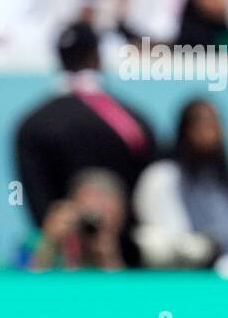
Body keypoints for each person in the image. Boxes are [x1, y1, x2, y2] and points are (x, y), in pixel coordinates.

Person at [14, 21, 156, 244]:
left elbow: (34, 194)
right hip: (125, 254)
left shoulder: (32, 124)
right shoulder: (133, 122)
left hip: (60, 255)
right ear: (96, 57)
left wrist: (50, 231)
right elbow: (148, 187)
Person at [133, 98, 228, 278]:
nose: (207, 133)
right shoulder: (162, 179)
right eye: (199, 124)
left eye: (213, 125)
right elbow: (169, 246)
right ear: (184, 131)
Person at [25, 167, 128, 271]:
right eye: (87, 214)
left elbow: (124, 286)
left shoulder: (134, 249)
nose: (92, 224)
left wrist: (109, 257)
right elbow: (21, 282)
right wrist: (49, 242)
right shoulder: (37, 243)